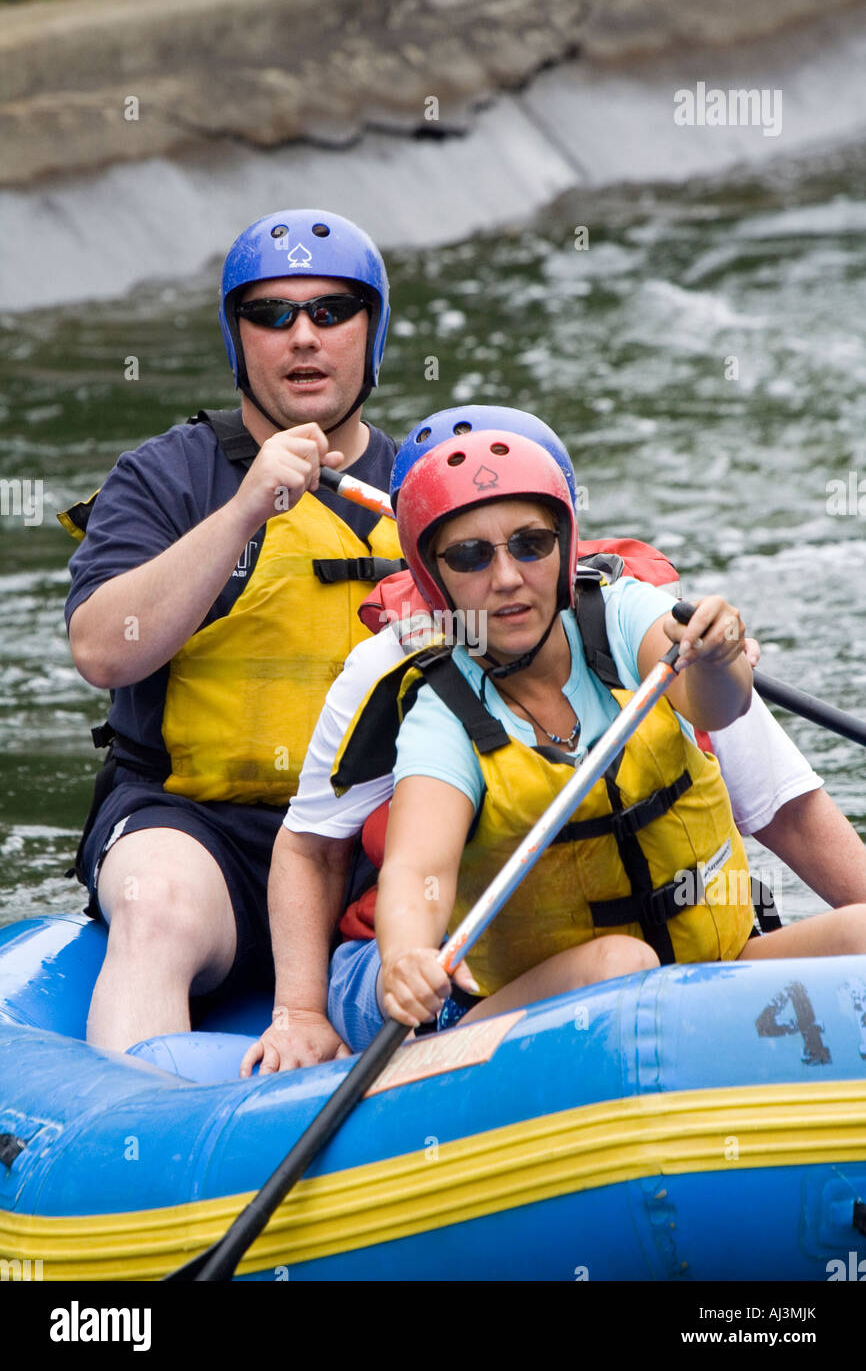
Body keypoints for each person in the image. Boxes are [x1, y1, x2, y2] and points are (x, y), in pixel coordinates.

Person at [241, 406, 866, 1072]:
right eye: (471, 557)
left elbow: (718, 706)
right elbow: (416, 870)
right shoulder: (437, 708)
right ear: (434, 578)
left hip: (708, 969)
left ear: (566, 549)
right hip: (543, 995)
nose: (508, 577)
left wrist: (717, 658)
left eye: (532, 545)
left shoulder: (628, 614)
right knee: (622, 964)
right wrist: (405, 959)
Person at [60, 208, 405, 1051]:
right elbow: (102, 648)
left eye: (331, 311)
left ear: (371, 330)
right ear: (237, 335)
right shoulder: (165, 476)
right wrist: (248, 509)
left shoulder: (429, 482)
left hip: (373, 834)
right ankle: (135, 1151)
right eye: (271, 314)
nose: (303, 338)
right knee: (155, 906)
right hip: (198, 828)